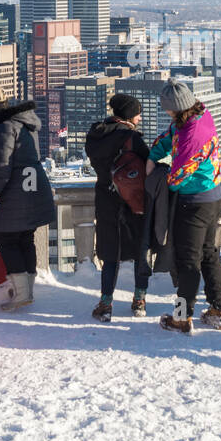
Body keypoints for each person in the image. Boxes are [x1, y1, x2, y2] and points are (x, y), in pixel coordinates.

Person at [149, 81, 221, 333]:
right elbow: (171, 134)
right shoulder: (202, 115)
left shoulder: (191, 135)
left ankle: (182, 317)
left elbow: (177, 177)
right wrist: (155, 152)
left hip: (194, 203)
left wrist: (158, 174)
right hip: (213, 197)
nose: (166, 113)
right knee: (209, 255)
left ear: (176, 108)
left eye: (167, 109)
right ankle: (218, 308)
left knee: (188, 262)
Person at [0, 89, 57, 312]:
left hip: (17, 189)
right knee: (25, 238)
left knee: (6, 239)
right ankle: (26, 290)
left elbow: (3, 168)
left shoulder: (4, 128)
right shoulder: (26, 125)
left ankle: (22, 293)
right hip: (34, 186)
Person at [85, 93, 152, 320]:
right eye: (138, 114)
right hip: (133, 200)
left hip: (105, 198)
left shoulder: (95, 136)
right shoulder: (130, 138)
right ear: (129, 115)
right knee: (140, 251)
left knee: (110, 253)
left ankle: (105, 304)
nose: (140, 118)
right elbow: (150, 162)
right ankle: (139, 300)